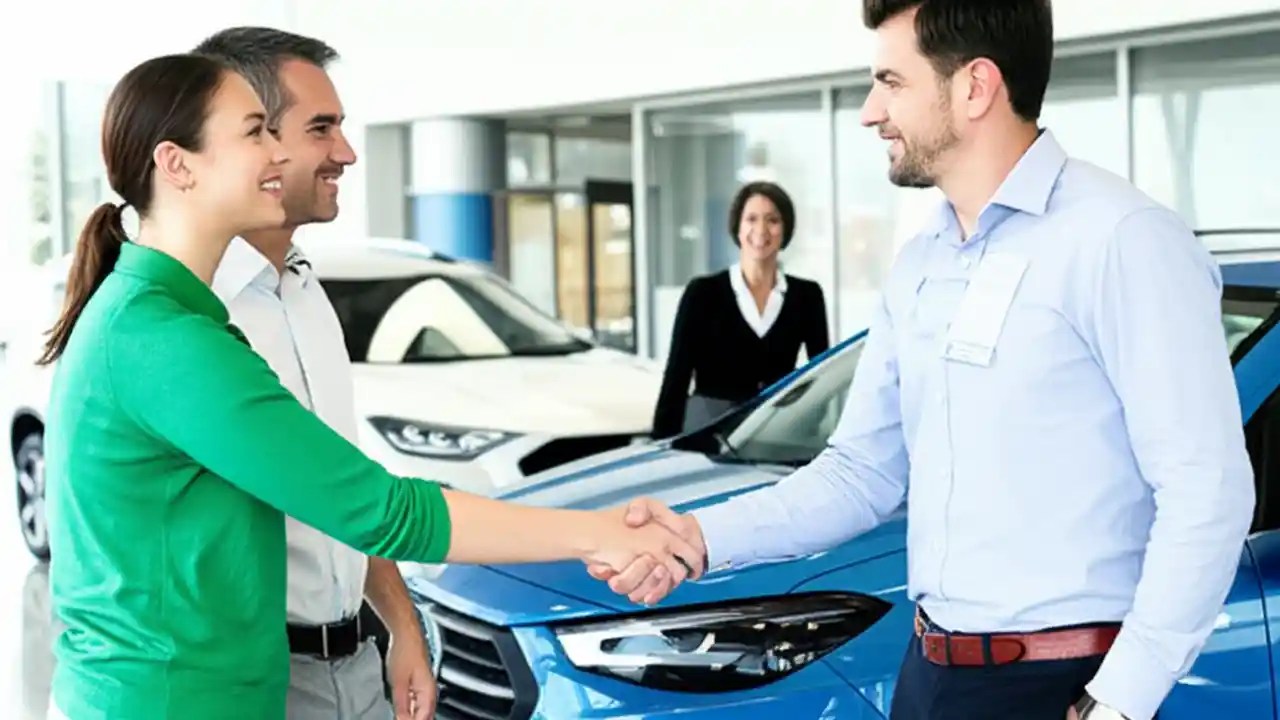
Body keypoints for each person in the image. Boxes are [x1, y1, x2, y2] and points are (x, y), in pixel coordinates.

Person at [594, 2, 1255, 719]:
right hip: (929, 677)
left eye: (892, 81)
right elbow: (860, 474)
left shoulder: (1122, 239)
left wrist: (1120, 702)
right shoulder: (920, 263)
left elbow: (1206, 490)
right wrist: (697, 536)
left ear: (975, 87)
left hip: (1061, 685)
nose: (871, 112)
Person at [40, 53, 699, 720]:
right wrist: (598, 534)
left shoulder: (172, 316)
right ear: (177, 165)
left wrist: (401, 621)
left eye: (276, 130)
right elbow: (378, 509)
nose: (278, 151)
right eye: (254, 132)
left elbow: (333, 484)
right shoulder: (163, 338)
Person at [192, 27, 424, 720]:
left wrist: (403, 629)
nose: (347, 153)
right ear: (253, 139)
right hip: (255, 682)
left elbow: (343, 483)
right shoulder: (188, 318)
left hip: (358, 665)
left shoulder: (304, 289)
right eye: (321, 129)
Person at [651, 181, 830, 439]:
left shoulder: (807, 296)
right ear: (737, 227)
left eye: (773, 220)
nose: (761, 230)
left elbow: (821, 378)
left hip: (777, 436)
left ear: (785, 229)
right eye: (751, 219)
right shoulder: (702, 293)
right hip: (710, 437)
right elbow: (676, 379)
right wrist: (661, 446)